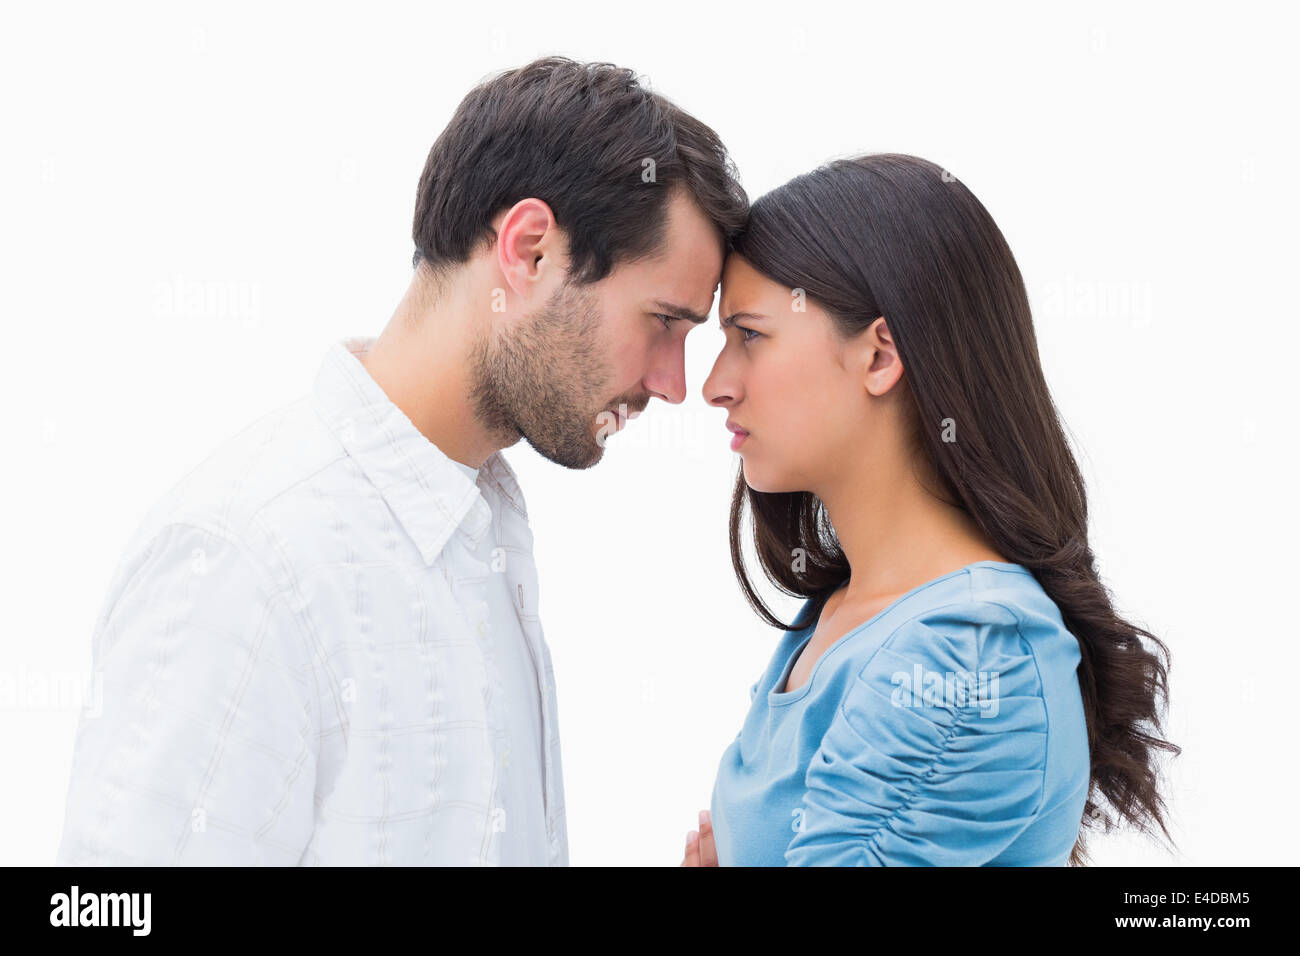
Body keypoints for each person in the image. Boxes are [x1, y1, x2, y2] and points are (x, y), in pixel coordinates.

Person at [55, 56, 747, 866]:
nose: (673, 384)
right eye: (664, 321)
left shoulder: (478, 524)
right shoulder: (249, 555)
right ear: (529, 252)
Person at [682, 153, 1179, 866]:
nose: (715, 384)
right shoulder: (839, 615)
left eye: (750, 336)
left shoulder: (969, 646)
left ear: (880, 355)